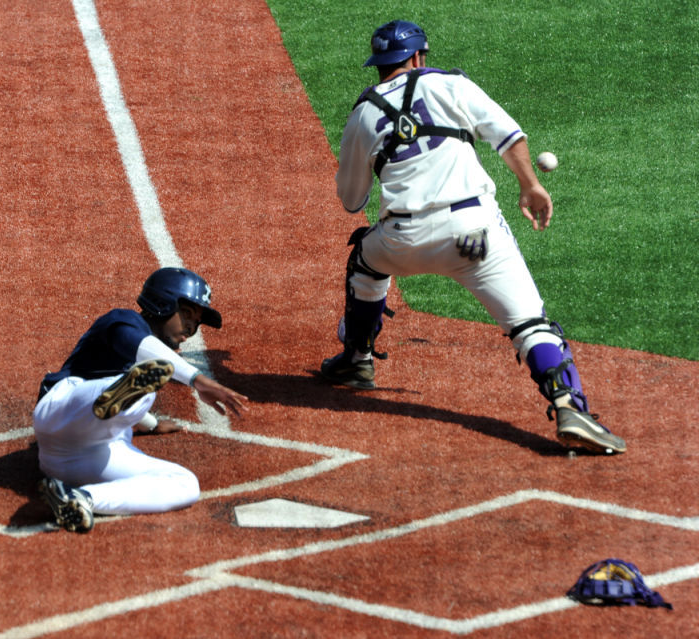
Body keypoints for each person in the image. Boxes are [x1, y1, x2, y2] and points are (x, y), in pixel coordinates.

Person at [320, 20, 626, 455]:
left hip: (403, 239)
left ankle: (355, 360)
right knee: (529, 324)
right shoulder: (451, 85)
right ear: (419, 57)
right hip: (473, 235)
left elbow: (351, 200)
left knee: (365, 261)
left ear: (380, 64)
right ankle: (568, 406)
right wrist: (530, 185)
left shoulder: (362, 113)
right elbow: (507, 134)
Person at [33, 267, 248, 533]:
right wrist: (197, 379)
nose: (192, 328)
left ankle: (80, 499)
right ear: (162, 304)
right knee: (144, 386)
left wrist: (152, 425)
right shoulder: (121, 320)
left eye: (198, 323)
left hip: (84, 457)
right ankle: (120, 396)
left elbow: (140, 376)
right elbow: (137, 345)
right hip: (63, 411)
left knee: (185, 483)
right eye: (187, 314)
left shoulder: (149, 372)